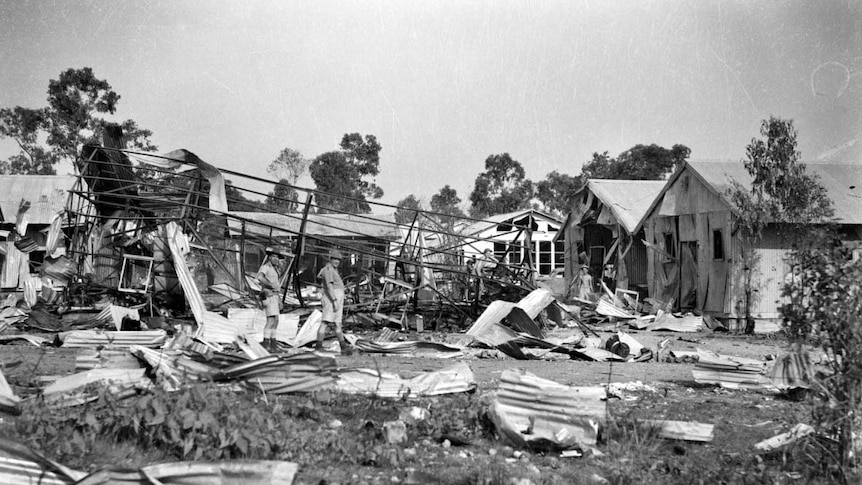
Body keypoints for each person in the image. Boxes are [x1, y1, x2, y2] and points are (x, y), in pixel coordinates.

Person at [316, 249, 353, 355]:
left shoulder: (333, 270)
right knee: (325, 322)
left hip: (337, 298)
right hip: (332, 299)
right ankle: (318, 346)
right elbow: (329, 285)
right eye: (334, 259)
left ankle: (343, 347)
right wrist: (334, 300)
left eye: (338, 260)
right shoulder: (328, 269)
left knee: (338, 323)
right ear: (330, 259)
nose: (337, 261)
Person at [257, 245, 290, 351]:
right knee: (271, 320)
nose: (276, 259)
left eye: (277, 257)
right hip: (269, 296)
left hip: (274, 296)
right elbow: (260, 277)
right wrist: (269, 284)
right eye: (274, 257)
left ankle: (273, 344)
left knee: (275, 320)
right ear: (270, 257)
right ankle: (266, 343)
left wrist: (279, 300)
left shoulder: (275, 269)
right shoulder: (266, 267)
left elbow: (277, 287)